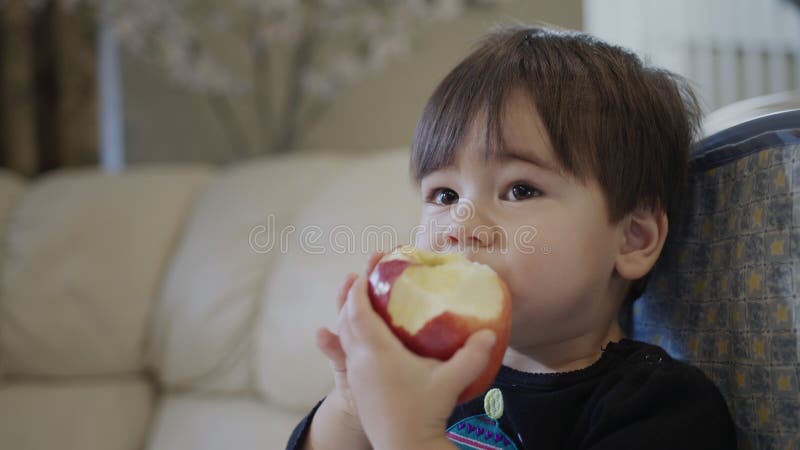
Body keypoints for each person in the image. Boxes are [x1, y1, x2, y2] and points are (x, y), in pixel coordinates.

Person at [286, 25, 736, 450]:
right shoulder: (426, 372)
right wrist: (351, 406)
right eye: (443, 194)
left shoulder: (661, 407)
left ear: (632, 239)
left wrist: (412, 436)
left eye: (520, 190)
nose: (461, 225)